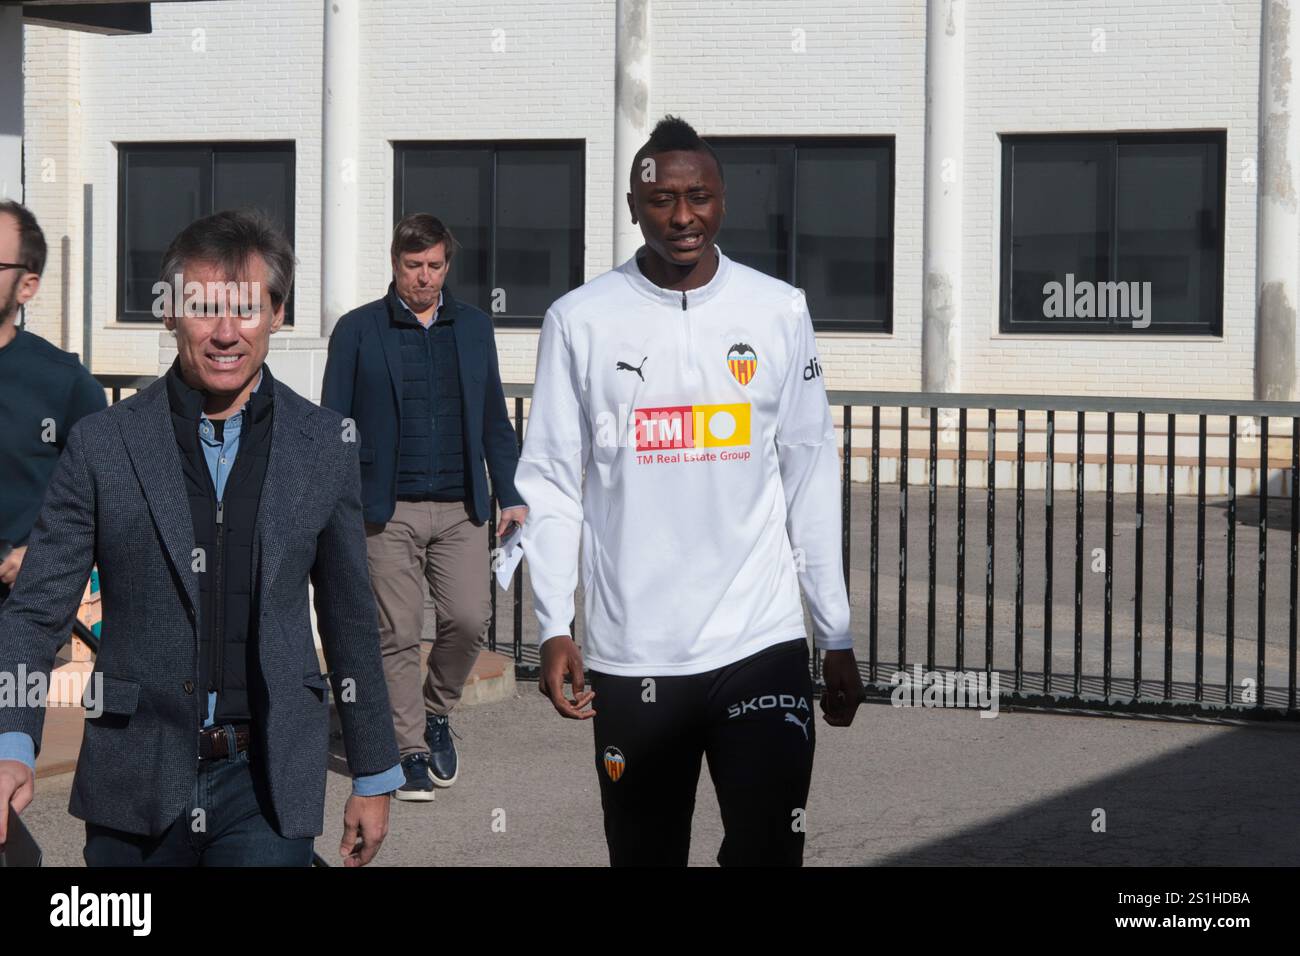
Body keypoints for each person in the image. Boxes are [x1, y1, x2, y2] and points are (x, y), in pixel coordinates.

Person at [0, 210, 403, 866]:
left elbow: (351, 616)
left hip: (265, 782)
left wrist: (375, 771)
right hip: (134, 780)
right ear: (169, 315)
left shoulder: (325, 446)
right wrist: (11, 743)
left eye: (245, 309)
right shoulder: (105, 444)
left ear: (277, 313)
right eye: (203, 308)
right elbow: (36, 609)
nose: (224, 333)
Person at [516, 116, 865, 866]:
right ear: (636, 207)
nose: (682, 217)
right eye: (663, 200)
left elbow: (809, 472)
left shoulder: (779, 310)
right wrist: (552, 623)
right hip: (633, 654)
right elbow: (548, 481)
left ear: (723, 201)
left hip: (761, 644)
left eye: (698, 197)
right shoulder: (579, 320)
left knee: (771, 851)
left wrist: (832, 632)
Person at [322, 214, 526, 801]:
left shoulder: (473, 327)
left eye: (435, 266)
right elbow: (333, 422)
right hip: (386, 510)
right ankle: (409, 747)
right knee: (397, 631)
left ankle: (436, 712)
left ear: (447, 265)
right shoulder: (359, 330)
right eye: (414, 267)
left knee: (468, 620)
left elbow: (493, 420)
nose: (425, 278)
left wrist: (509, 492)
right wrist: (335, 503)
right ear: (395, 265)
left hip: (462, 506)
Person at [0, 200, 106, 602]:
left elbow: (106, 506)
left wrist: (40, 557)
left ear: (26, 286)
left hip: (17, 625)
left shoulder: (65, 385)